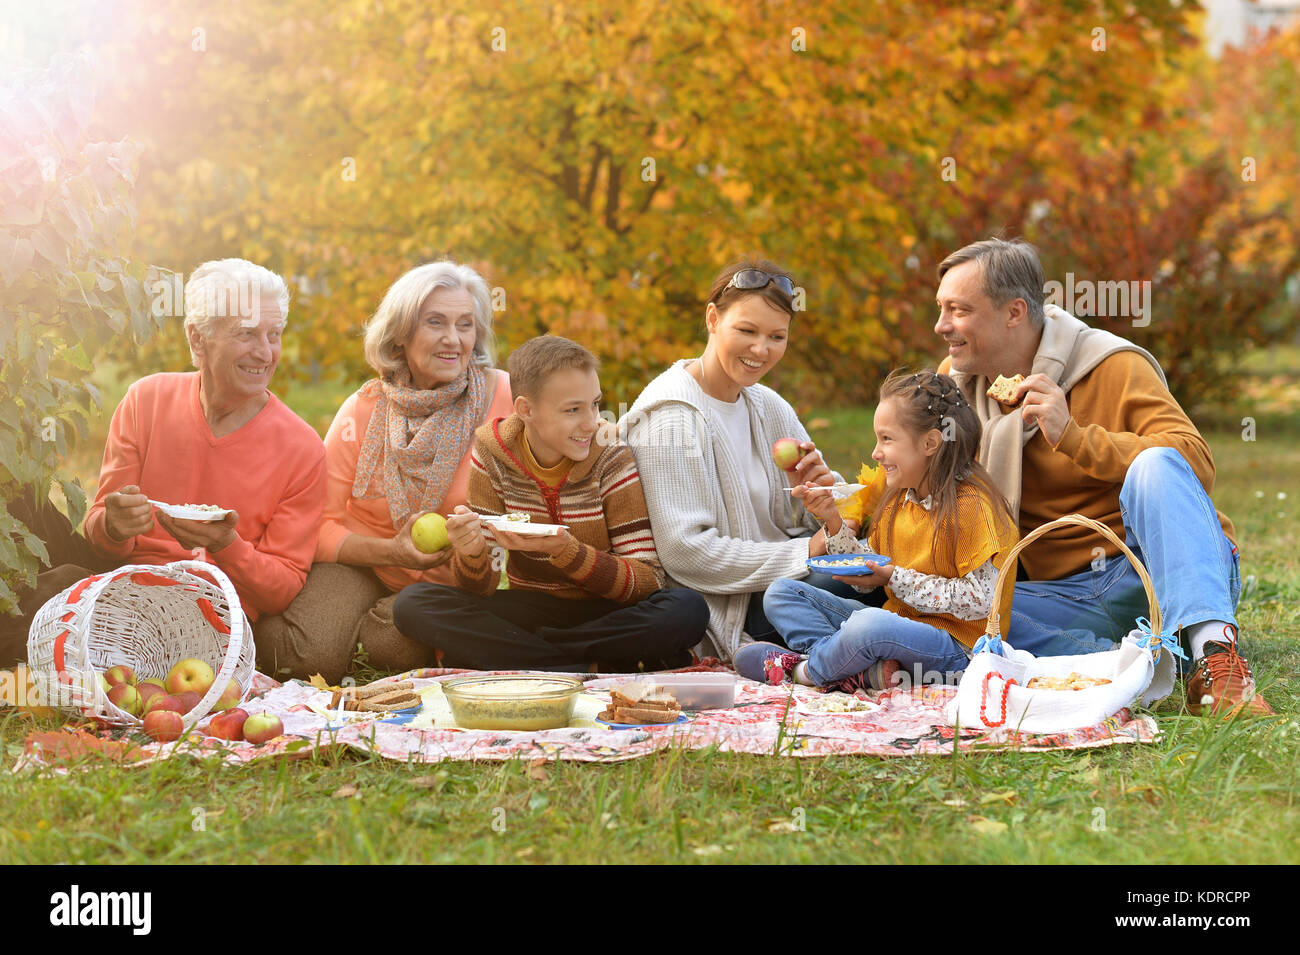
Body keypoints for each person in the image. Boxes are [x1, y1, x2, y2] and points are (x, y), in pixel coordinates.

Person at [933, 236, 1271, 716]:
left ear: (1013, 312)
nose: (941, 325)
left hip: (1154, 567)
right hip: (1065, 590)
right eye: (941, 308)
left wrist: (1072, 435)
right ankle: (1123, 653)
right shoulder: (956, 382)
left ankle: (1214, 658)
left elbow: (1193, 461)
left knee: (1155, 463)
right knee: (948, 612)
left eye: (958, 310)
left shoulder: (1111, 364)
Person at [18, 259, 324, 645]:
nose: (265, 353)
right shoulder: (145, 399)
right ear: (198, 339)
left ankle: (42, 632)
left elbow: (281, 590)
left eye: (274, 334)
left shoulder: (302, 448)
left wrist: (225, 544)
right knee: (22, 496)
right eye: (247, 334)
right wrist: (114, 526)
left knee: (61, 585)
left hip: (203, 615)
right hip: (120, 578)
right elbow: (98, 532)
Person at [254, 261, 515, 683]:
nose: (454, 339)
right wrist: (392, 552)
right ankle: (274, 627)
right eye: (435, 323)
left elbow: (564, 426)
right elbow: (319, 524)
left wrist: (608, 427)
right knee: (308, 656)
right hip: (364, 563)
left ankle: (363, 629)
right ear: (401, 334)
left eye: (465, 325)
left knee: (391, 645)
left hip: (456, 584)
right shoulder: (364, 408)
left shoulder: (503, 396)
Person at [391, 335, 708, 671]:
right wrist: (471, 553)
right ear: (526, 410)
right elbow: (480, 587)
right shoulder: (491, 455)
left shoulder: (612, 456)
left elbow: (647, 581)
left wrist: (568, 552)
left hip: (606, 612)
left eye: (595, 404)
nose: (591, 422)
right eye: (573, 409)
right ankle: (595, 665)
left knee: (686, 610)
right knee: (413, 605)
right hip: (532, 606)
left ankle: (529, 657)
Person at [623, 259, 874, 663]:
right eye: (746, 330)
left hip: (784, 579)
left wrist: (827, 494)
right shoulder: (670, 417)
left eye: (777, 336)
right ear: (712, 318)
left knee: (879, 561)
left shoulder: (765, 404)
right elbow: (686, 552)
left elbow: (828, 523)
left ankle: (869, 651)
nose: (762, 349)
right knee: (854, 579)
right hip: (730, 606)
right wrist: (805, 554)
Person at [744, 370, 1019, 691]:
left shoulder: (972, 507)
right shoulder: (898, 499)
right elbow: (869, 566)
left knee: (870, 624)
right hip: (896, 628)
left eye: (887, 439)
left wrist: (892, 578)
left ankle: (804, 672)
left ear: (930, 442)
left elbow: (980, 601)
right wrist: (832, 519)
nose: (875, 452)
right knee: (782, 593)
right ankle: (856, 670)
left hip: (958, 651)